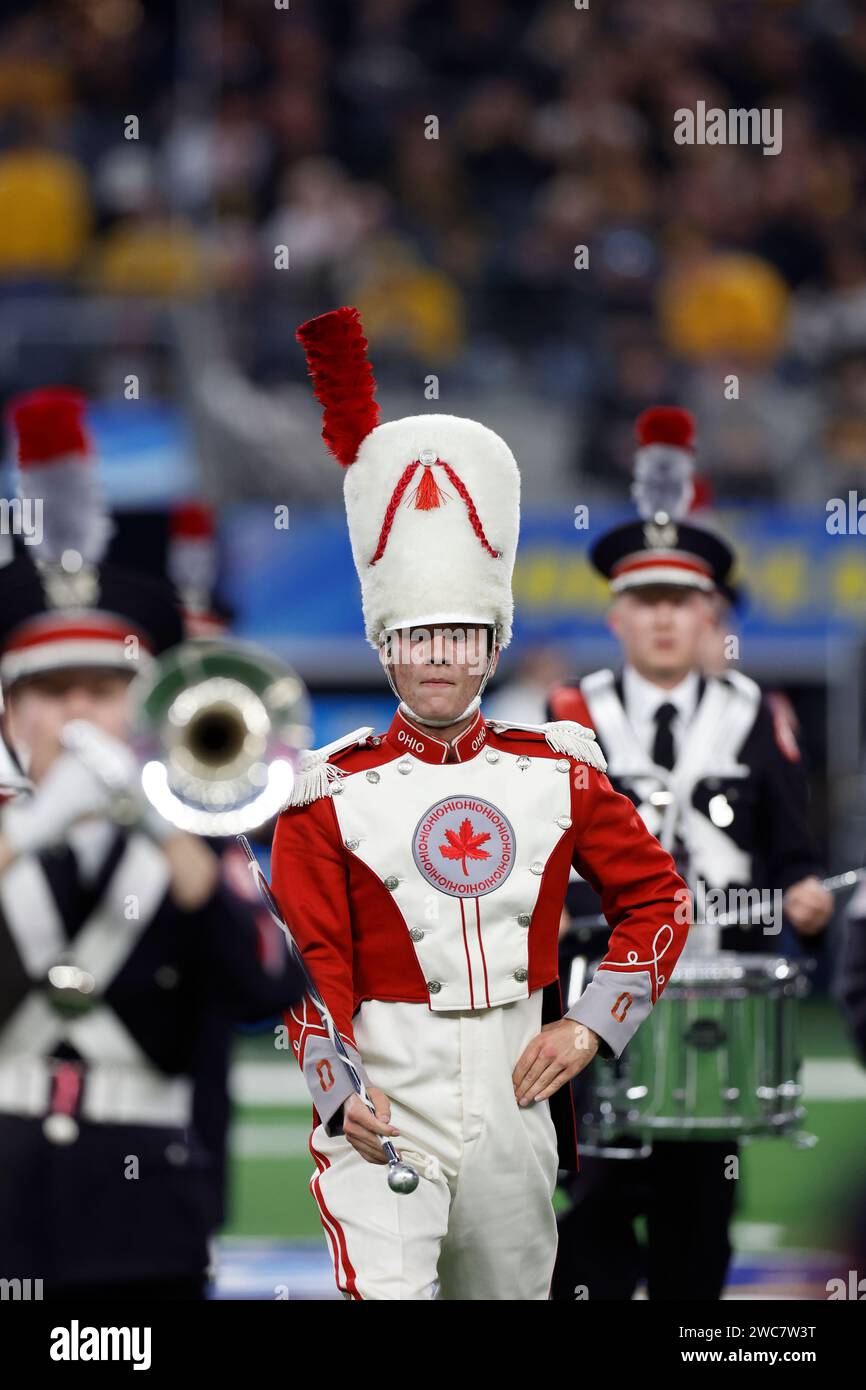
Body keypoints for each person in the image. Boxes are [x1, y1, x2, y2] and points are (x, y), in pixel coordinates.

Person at [269, 307, 690, 1301]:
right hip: (385, 1084)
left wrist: (589, 1024)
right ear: (383, 648)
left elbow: (659, 903)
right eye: (417, 638)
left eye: (461, 636)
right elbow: (305, 957)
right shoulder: (322, 787)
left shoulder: (558, 767)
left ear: (492, 646)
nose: (439, 658)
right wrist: (336, 1087)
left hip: (519, 1081)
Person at [0, 387, 306, 1299]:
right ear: (11, 709)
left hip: (145, 1209)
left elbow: (265, 989)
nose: (79, 714)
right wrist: (32, 826)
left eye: (103, 690)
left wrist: (173, 828)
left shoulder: (189, 835)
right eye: (52, 693)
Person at [547, 405, 832, 1301]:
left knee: (699, 1210)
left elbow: (792, 848)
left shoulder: (753, 711)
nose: (664, 620)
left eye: (681, 602)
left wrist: (805, 894)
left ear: (709, 610)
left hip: (718, 999)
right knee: (591, 1198)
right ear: (617, 615)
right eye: (645, 601)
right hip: (595, 1000)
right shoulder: (572, 712)